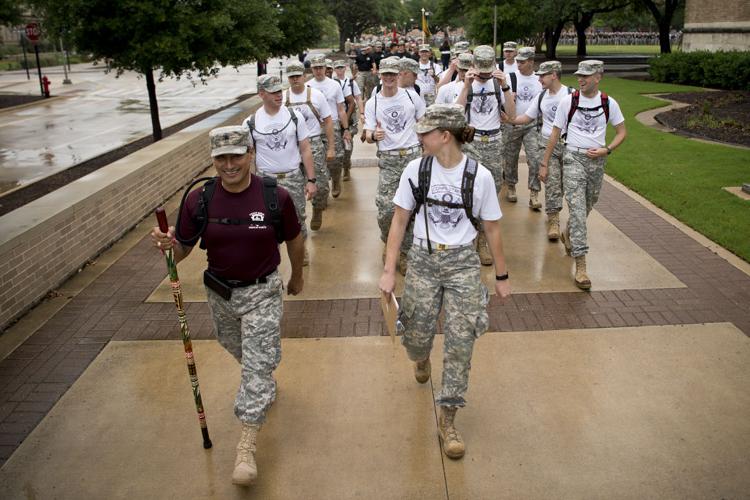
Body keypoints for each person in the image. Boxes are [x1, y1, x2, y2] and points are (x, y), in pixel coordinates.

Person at [150, 125, 305, 486]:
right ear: (213, 160)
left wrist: (298, 275)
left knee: (257, 365)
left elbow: (295, 239)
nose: (230, 164)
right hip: (220, 294)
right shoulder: (199, 200)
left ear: (251, 154)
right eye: (221, 157)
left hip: (263, 291)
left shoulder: (274, 197)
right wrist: (167, 245)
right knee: (238, 349)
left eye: (236, 155)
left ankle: (246, 445)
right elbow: (183, 248)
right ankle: (261, 376)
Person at [378, 104, 511, 460]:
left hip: (463, 264)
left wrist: (501, 275)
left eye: (424, 133)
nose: (418, 138)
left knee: (460, 340)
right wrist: (390, 270)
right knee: (417, 336)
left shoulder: (479, 176)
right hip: (422, 260)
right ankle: (420, 357)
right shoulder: (415, 170)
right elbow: (399, 221)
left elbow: (492, 228)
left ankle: (448, 418)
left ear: (444, 136)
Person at [540, 60, 627, 289]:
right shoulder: (568, 102)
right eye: (579, 75)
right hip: (573, 159)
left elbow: (621, 132)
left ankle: (569, 233)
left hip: (597, 162)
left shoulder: (609, 103)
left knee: (589, 204)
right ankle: (581, 266)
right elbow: (555, 134)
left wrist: (607, 149)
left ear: (598, 77)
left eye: (586, 76)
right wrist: (545, 163)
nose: (581, 79)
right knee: (577, 211)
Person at [244, 75, 317, 264]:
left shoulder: (294, 117)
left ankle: (301, 253)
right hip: (265, 181)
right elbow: (247, 157)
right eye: (273, 92)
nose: (279, 95)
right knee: (266, 223)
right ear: (261, 94)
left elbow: (305, 149)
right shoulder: (250, 123)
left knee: (298, 218)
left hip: (293, 177)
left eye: (279, 91)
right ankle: (271, 256)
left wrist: (311, 180)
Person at [364, 57, 426, 275]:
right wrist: (374, 135)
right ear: (380, 76)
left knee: (411, 207)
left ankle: (405, 252)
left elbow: (424, 123)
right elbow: (367, 134)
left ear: (399, 75)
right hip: (389, 160)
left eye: (393, 74)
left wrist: (425, 149)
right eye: (385, 74)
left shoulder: (411, 96)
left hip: (411, 157)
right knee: (386, 209)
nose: (389, 78)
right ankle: (388, 241)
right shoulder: (374, 102)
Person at [456, 45, 515, 265]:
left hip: (493, 141)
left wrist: (506, 87)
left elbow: (511, 114)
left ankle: (481, 239)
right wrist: (466, 86)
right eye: (480, 69)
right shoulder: (466, 84)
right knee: (467, 191)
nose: (484, 74)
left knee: (492, 189)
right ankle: (468, 238)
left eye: (487, 69)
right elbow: (456, 113)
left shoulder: (499, 84)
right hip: (472, 142)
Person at [503, 60, 570, 240]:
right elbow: (526, 117)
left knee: (570, 186)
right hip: (548, 145)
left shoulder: (571, 95)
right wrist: (509, 119)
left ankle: (571, 226)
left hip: (569, 146)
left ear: (554, 75)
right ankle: (554, 220)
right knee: (553, 182)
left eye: (543, 75)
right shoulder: (541, 97)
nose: (539, 79)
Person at [284, 61, 335, 231]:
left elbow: (328, 121)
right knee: (294, 184)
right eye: (291, 77)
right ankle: (299, 220)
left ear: (304, 76)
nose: (295, 80)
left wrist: (331, 147)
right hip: (292, 145)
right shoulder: (283, 98)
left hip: (313, 142)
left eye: (298, 76)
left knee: (320, 184)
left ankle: (318, 208)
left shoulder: (316, 95)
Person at [501, 47, 543, 208]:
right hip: (512, 124)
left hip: (532, 124)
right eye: (517, 61)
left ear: (531, 62)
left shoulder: (539, 80)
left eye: (522, 62)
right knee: (510, 158)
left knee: (535, 159)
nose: (518, 64)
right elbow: (500, 99)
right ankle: (511, 186)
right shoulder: (509, 77)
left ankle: (534, 192)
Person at [307, 54, 351, 199]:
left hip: (334, 125)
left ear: (325, 68)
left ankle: (336, 180)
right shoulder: (308, 86)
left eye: (321, 67)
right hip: (314, 128)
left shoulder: (334, 85)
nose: (318, 70)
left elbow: (341, 109)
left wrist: (346, 129)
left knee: (336, 159)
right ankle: (321, 195)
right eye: (315, 68)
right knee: (318, 162)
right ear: (312, 69)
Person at [333, 59, 363, 182]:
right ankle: (337, 170)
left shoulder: (350, 83)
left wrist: (361, 113)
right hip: (334, 118)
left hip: (349, 119)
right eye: (337, 68)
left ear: (345, 68)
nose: (340, 70)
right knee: (336, 146)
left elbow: (358, 98)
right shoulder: (331, 82)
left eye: (341, 67)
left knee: (347, 145)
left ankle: (346, 167)